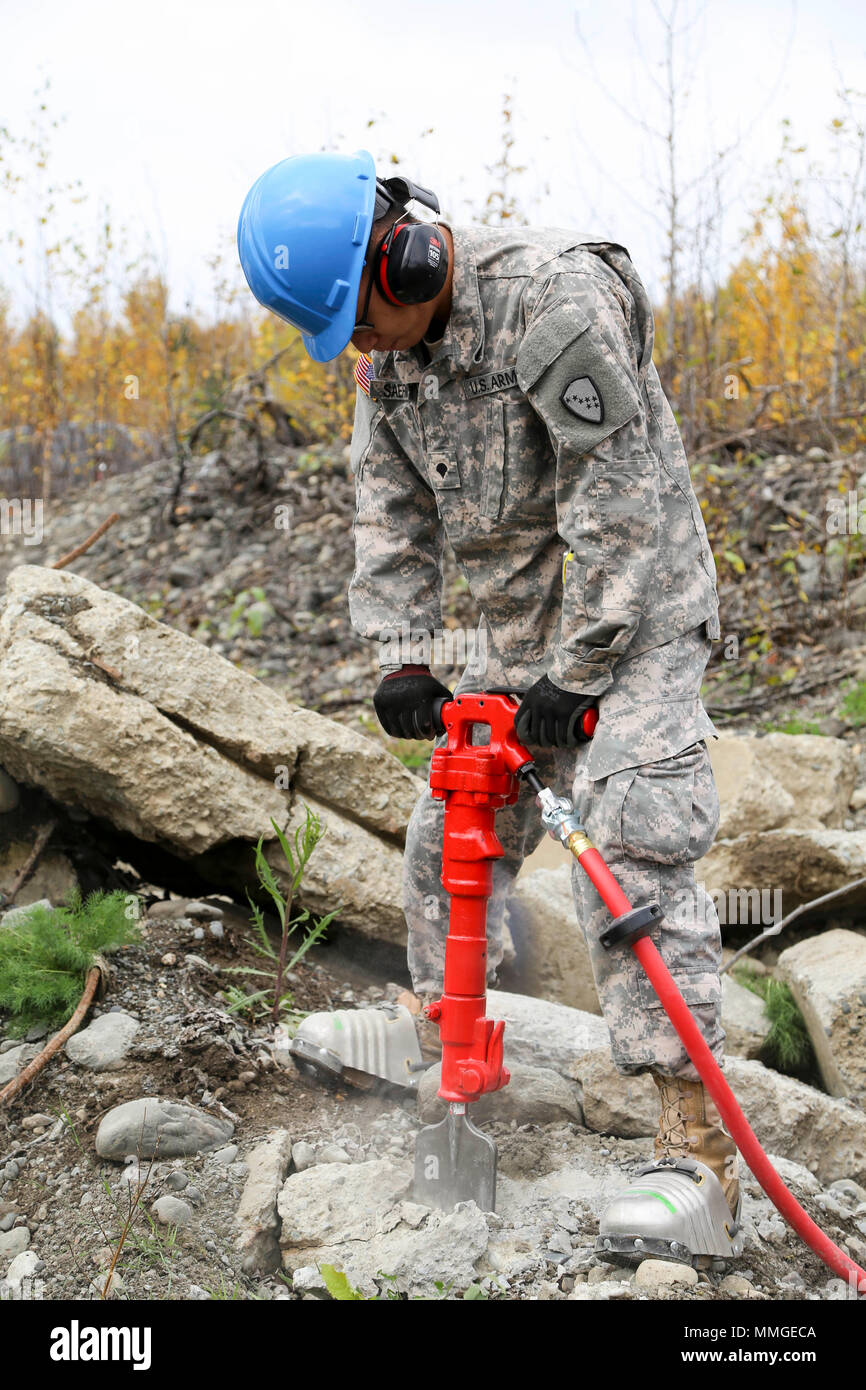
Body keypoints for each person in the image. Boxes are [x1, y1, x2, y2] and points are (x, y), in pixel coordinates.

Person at [237, 149, 741, 1268]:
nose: (356, 348)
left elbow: (621, 492)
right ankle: (438, 1028)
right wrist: (403, 653)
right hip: (525, 638)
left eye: (358, 319)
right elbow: (386, 503)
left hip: (638, 619)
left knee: (632, 844)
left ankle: (693, 1148)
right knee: (452, 824)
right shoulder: (386, 359)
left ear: (406, 261)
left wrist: (587, 666)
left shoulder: (549, 301)